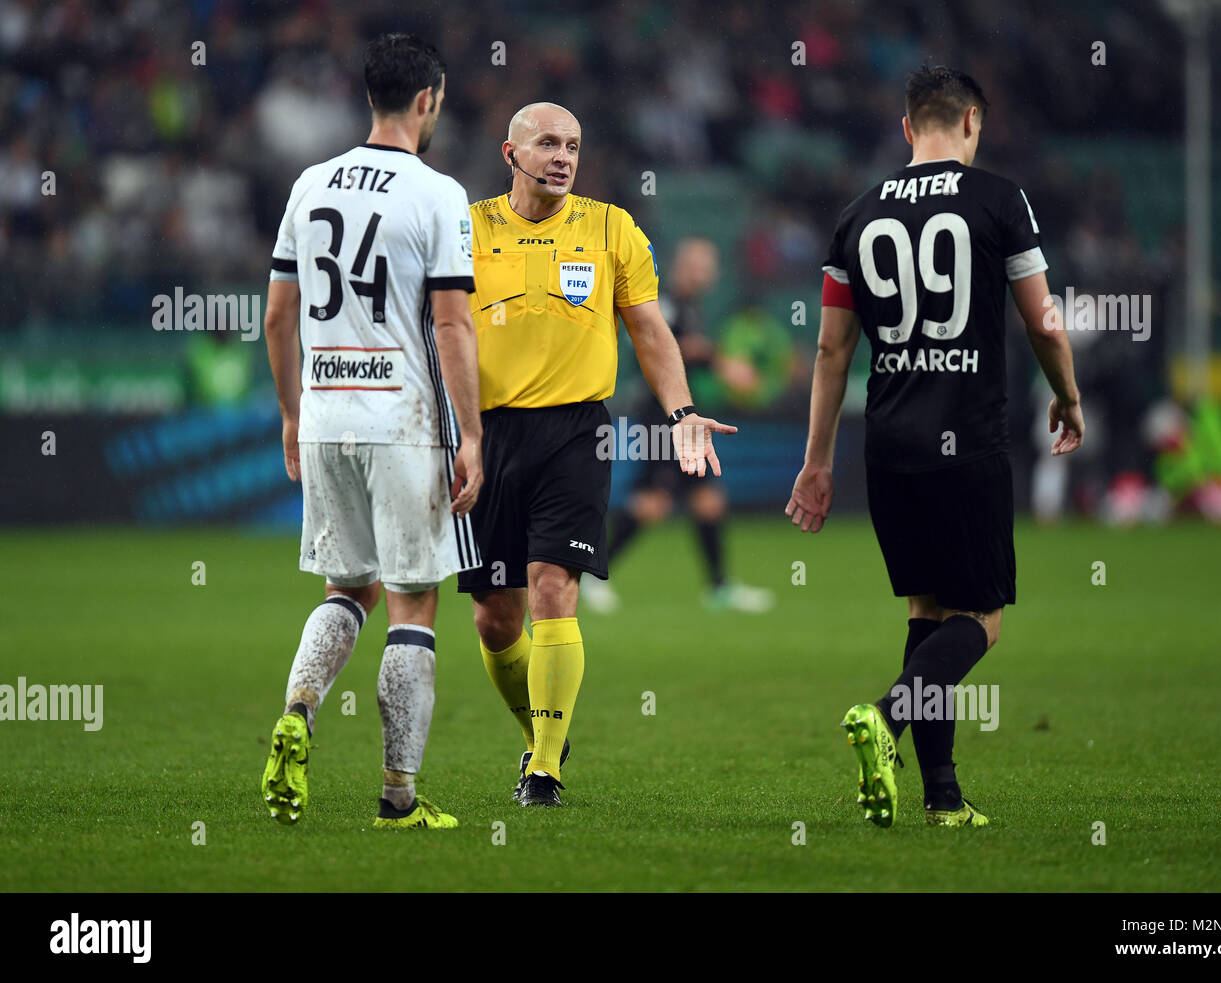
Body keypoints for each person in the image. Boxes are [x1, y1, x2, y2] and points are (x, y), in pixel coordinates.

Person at [786, 66, 1084, 828]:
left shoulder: (856, 215)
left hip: (887, 442)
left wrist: (816, 463)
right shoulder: (999, 199)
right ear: (974, 123)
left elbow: (830, 353)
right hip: (969, 441)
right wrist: (1068, 395)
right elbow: (1044, 321)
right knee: (979, 618)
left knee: (928, 608)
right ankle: (887, 717)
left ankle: (942, 796)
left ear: (907, 126)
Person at [460, 102, 735, 807]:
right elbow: (439, 328)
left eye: (573, 145)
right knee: (495, 614)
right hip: (485, 435)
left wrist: (680, 412)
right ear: (510, 152)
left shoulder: (613, 228)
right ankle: (542, 726)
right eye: (547, 143)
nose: (562, 156)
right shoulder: (466, 228)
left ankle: (544, 768)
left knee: (554, 587)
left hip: (575, 432)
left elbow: (649, 330)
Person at [260, 33, 482, 830]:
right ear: (430, 99)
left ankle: (298, 709)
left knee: (343, 586)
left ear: (369, 97)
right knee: (411, 605)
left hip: (324, 414)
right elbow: (453, 326)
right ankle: (398, 797)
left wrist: (291, 412)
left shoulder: (309, 185)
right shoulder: (437, 193)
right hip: (403, 418)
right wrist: (473, 434)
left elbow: (278, 315)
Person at [585, 236, 773, 615]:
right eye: (702, 265)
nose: (710, 273)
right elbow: (672, 347)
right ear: (684, 266)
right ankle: (593, 573)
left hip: (680, 418)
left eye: (711, 266)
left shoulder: (690, 306)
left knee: (707, 501)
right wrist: (726, 364)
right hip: (661, 418)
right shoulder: (664, 299)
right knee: (652, 503)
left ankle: (719, 587)